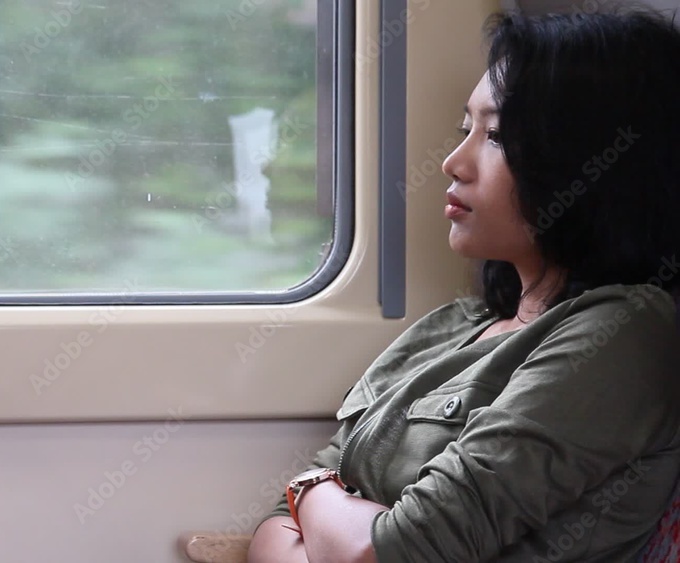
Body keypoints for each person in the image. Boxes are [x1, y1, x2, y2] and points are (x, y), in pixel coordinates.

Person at [248, 8, 680, 563]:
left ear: (589, 161)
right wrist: (318, 504)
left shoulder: (622, 332)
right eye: (465, 129)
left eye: (497, 136)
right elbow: (275, 527)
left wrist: (310, 489)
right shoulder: (452, 328)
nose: (454, 162)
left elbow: (388, 552)